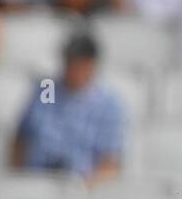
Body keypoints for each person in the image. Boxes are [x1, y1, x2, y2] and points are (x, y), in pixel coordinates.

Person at [11, 33, 125, 183]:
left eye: (81, 65)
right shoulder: (47, 90)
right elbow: (22, 137)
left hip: (79, 185)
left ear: (91, 65)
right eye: (71, 63)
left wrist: (87, 185)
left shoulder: (107, 104)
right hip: (37, 179)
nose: (75, 70)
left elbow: (110, 161)